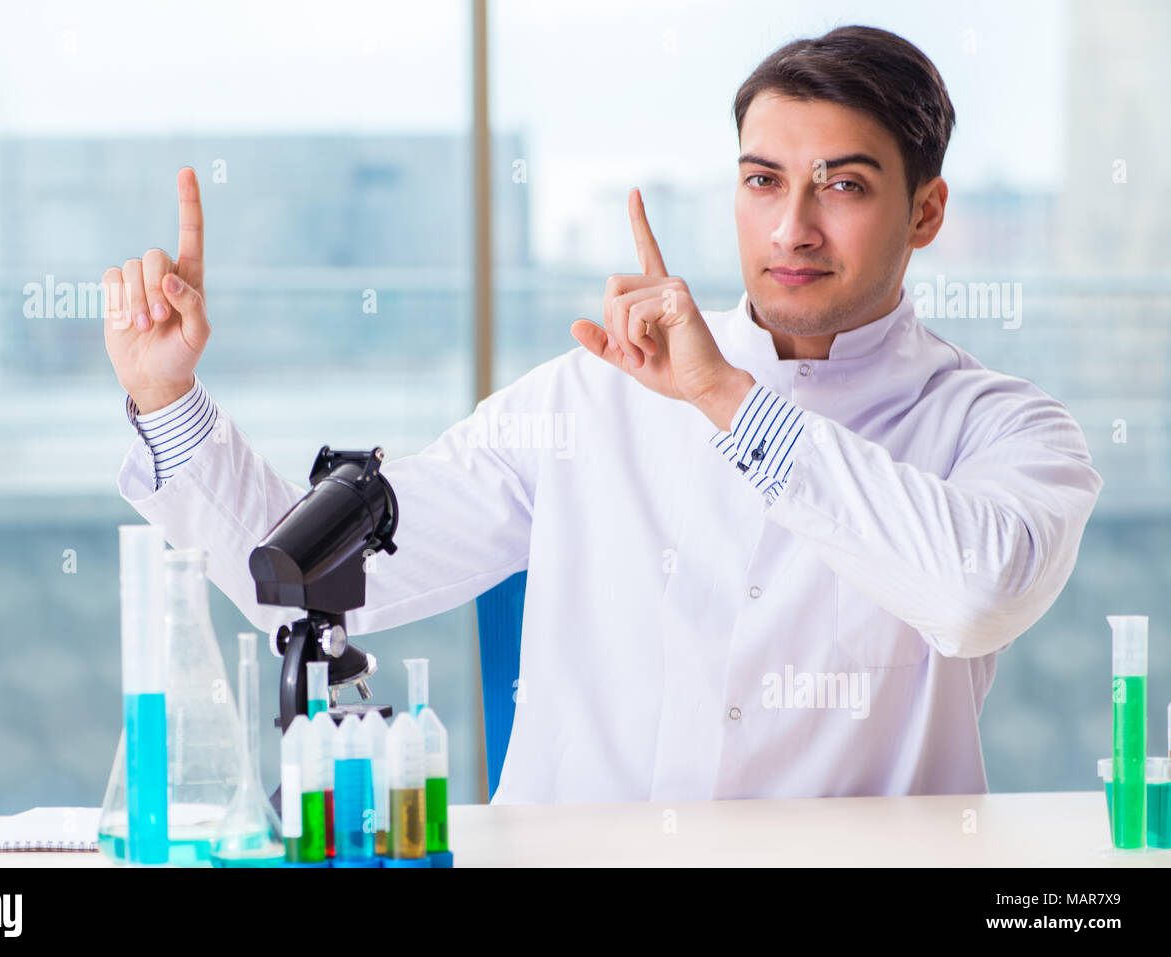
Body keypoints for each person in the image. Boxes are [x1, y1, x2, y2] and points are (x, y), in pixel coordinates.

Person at [102, 25, 1102, 804]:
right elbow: (314, 586)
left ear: (925, 212)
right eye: (762, 182)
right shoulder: (589, 396)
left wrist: (721, 398)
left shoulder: (1004, 430)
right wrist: (165, 395)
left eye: (841, 185)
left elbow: (973, 600)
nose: (792, 227)